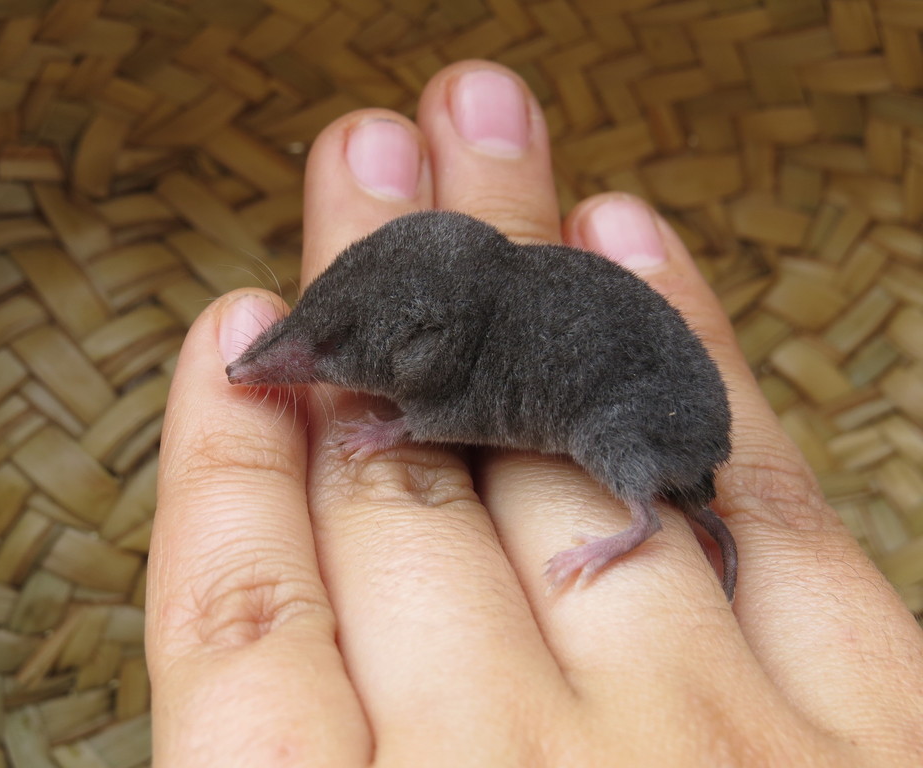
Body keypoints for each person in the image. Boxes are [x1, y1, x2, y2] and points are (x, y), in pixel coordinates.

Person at [146, 61, 923, 766]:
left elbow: (472, 411)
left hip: (643, 423)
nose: (264, 369)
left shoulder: (476, 375)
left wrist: (400, 428)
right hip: (643, 384)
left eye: (326, 353)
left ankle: (639, 520)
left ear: (425, 347)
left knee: (615, 448)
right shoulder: (467, 309)